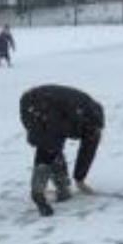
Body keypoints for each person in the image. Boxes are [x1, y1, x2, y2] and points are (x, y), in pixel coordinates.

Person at [19, 85, 104, 216]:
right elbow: (87, 151)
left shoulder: (86, 110)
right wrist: (79, 179)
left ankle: (60, 188)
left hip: (28, 103)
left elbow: (87, 151)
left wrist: (79, 178)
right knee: (49, 148)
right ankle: (40, 191)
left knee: (50, 146)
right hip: (45, 106)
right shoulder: (85, 120)